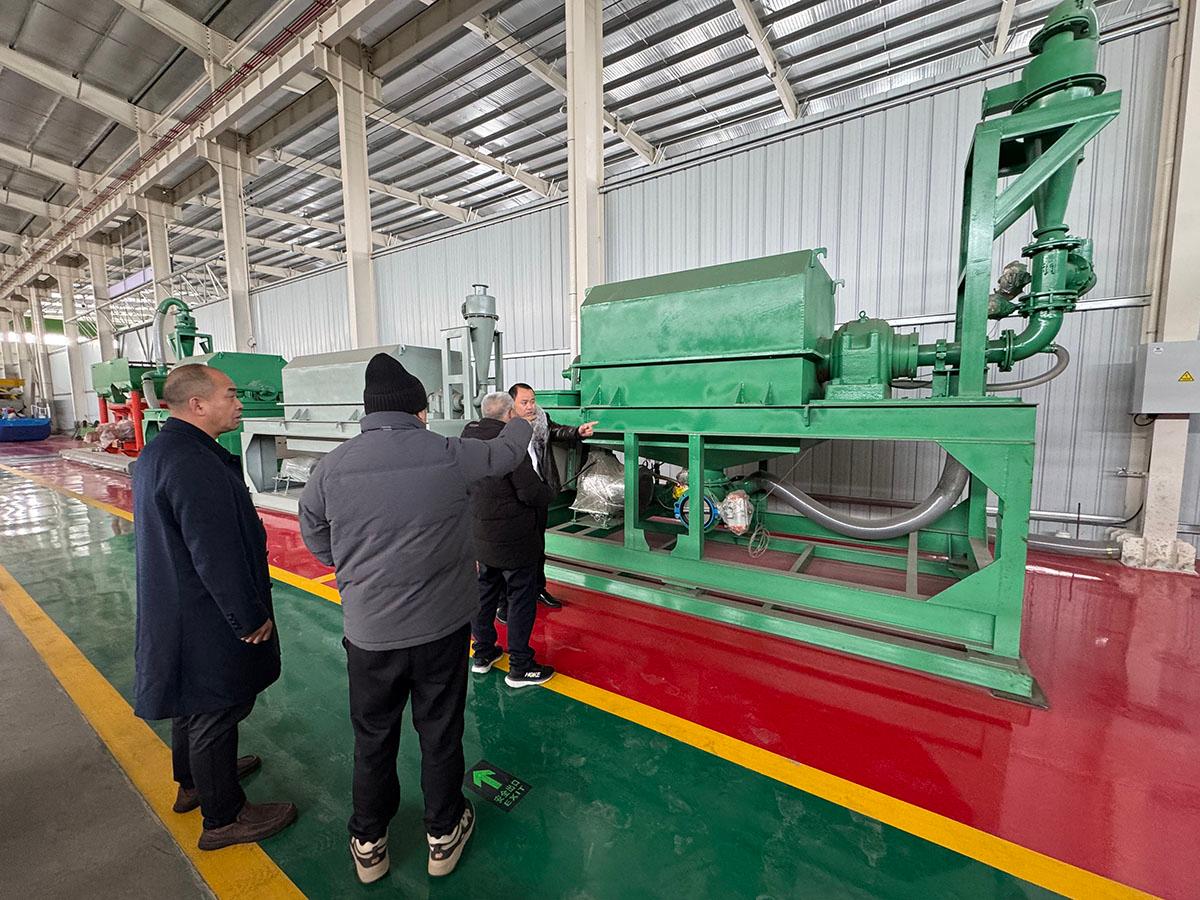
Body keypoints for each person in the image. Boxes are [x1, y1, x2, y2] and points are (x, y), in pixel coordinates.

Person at [298, 354, 532, 884]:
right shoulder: (447, 452)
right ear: (419, 410)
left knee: (373, 737)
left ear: (368, 411)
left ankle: (369, 842)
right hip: (440, 631)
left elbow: (313, 529)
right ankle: (443, 833)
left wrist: (350, 566)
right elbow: (503, 454)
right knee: (440, 731)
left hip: (370, 635)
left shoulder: (332, 467)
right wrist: (523, 420)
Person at [132, 365, 296, 851]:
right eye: (230, 394)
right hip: (205, 612)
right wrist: (247, 616)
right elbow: (215, 551)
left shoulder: (164, 451)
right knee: (217, 707)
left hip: (179, 605)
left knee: (193, 700)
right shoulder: (193, 463)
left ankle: (194, 782)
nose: (239, 403)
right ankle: (223, 817)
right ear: (198, 404)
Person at [463, 392, 556, 687]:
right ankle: (520, 666)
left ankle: (483, 654)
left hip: (481, 537)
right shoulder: (509, 447)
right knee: (520, 598)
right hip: (514, 540)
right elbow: (529, 492)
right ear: (509, 415)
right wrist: (549, 493)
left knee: (485, 593)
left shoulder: (466, 442)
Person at [502, 383, 597, 617]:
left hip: (538, 491)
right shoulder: (503, 429)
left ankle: (538, 589)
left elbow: (556, 431)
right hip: (515, 496)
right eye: (524, 402)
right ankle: (505, 600)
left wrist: (578, 431)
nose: (530, 406)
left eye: (533, 401)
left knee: (538, 545)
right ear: (512, 405)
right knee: (511, 550)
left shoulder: (541, 420)